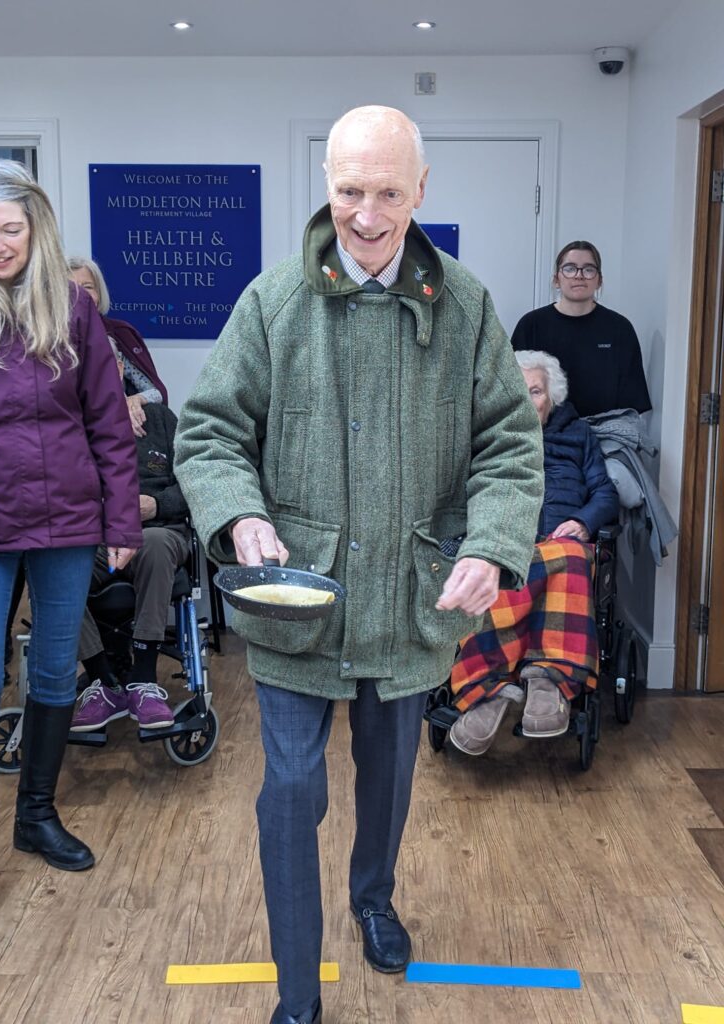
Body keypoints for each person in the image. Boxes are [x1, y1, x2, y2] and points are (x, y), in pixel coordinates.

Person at [174, 106, 544, 1024]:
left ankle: (373, 897)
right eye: (349, 191)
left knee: (387, 778)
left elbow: (507, 443)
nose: (367, 215)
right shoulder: (273, 302)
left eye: (388, 192)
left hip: (410, 591)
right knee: (291, 790)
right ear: (328, 186)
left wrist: (494, 546)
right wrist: (240, 511)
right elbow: (210, 429)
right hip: (298, 595)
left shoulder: (467, 306)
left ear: (421, 192)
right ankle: (297, 992)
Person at [0, 160, 142, 949]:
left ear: (36, 230)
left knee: (58, 667)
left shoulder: (70, 309)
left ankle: (35, 814)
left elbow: (107, 420)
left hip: (67, 515)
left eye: (11, 229)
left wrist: (123, 522)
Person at [449, 349, 619, 756]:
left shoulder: (578, 436)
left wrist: (583, 521)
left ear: (552, 397)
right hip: (509, 546)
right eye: (518, 391)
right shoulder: (488, 438)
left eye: (536, 391)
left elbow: (605, 493)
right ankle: (489, 690)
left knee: (573, 554)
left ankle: (549, 678)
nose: (527, 401)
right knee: (492, 566)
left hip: (562, 547)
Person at [71, 354, 190, 733]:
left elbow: (195, 485)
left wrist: (157, 504)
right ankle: (103, 681)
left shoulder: (161, 421)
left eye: (111, 363)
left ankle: (143, 678)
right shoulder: (71, 425)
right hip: (99, 542)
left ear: (123, 368)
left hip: (161, 533)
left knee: (152, 542)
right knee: (51, 567)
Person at [510, 240, 651, 418]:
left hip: (605, 435)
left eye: (588, 269)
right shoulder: (531, 325)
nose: (579, 275)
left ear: (599, 280)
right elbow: (512, 391)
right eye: (569, 268)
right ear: (556, 280)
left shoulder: (620, 329)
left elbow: (631, 401)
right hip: (545, 434)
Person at [68, 256, 168, 436]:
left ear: (99, 294)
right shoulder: (43, 338)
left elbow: (156, 392)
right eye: (70, 287)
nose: (80, 294)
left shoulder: (120, 333)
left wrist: (134, 400)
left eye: (88, 287)